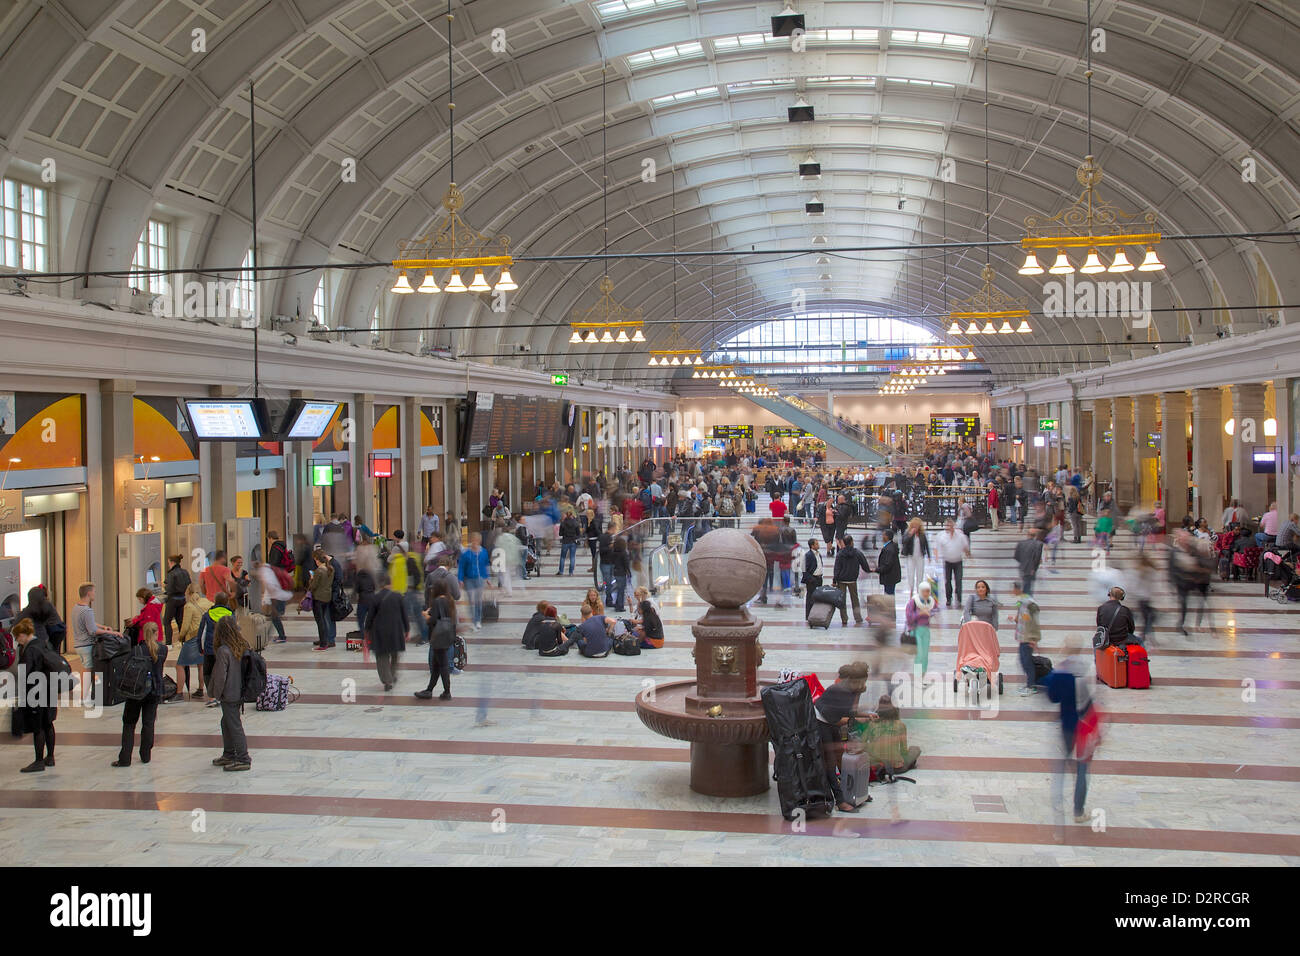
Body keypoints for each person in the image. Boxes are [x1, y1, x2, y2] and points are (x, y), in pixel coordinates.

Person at [1042, 653, 1097, 824]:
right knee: (1082, 769)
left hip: (1067, 727)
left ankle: (1057, 805)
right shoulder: (1083, 675)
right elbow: (1089, 705)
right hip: (1083, 728)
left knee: (1062, 767)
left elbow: (1052, 697)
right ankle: (1078, 811)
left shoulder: (1061, 674)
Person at [12, 617, 72, 772]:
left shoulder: (31, 649)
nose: (18, 641)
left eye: (17, 637)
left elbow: (25, 673)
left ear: (24, 635)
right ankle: (50, 757)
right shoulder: (44, 643)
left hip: (37, 692)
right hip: (50, 689)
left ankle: (38, 761)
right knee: (48, 723)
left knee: (38, 727)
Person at [813, 661, 872, 814]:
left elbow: (852, 711)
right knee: (830, 761)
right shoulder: (839, 690)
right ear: (852, 680)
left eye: (864, 682)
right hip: (821, 721)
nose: (862, 685)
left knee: (841, 757)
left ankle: (855, 792)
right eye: (860, 682)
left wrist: (866, 714)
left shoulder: (855, 689)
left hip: (832, 721)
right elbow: (840, 716)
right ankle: (840, 801)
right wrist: (858, 718)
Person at [111, 621, 168, 766]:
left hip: (136, 690)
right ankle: (145, 754)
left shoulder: (136, 650)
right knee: (148, 723)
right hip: (154, 690)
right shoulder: (163, 650)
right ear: (156, 633)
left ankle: (125, 757)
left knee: (129, 723)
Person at [208, 617, 251, 771]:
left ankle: (243, 758)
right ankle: (229, 754)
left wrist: (216, 694)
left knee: (233, 725)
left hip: (229, 693)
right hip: (239, 691)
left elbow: (220, 676)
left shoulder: (223, 651)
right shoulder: (241, 646)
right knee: (226, 723)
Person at [71, 582, 119, 699]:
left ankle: (85, 695)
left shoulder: (76, 608)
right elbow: (92, 630)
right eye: (93, 592)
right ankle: (85, 696)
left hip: (79, 644)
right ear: (88, 593)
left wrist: (102, 626)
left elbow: (89, 623)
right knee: (88, 670)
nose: (94, 594)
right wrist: (112, 632)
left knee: (85, 668)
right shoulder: (87, 611)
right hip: (87, 644)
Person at [416, 580, 457, 700]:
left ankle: (447, 692)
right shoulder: (449, 600)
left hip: (438, 636)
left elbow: (433, 620)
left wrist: (425, 615)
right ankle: (429, 690)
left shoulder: (438, 601)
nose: (432, 590)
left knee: (442, 665)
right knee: (436, 665)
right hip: (446, 635)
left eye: (433, 588)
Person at [366, 575, 407, 692]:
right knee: (395, 655)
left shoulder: (375, 598)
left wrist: (367, 629)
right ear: (391, 584)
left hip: (379, 631)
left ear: (380, 585)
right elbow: (404, 614)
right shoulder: (398, 596)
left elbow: (370, 617)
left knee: (381, 657)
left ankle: (387, 680)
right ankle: (392, 676)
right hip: (396, 630)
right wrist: (407, 629)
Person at [194, 592, 234, 706]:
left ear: (215, 601)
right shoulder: (231, 615)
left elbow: (202, 634)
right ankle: (224, 695)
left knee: (208, 672)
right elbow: (235, 633)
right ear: (227, 602)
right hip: (226, 649)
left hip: (210, 649)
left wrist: (200, 648)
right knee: (225, 671)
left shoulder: (207, 615)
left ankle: (212, 697)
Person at [176, 583, 210, 699]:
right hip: (204, 638)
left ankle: (179, 692)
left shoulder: (189, 606)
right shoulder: (207, 602)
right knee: (200, 664)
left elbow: (185, 626)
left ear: (188, 593)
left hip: (192, 638)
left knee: (180, 665)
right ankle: (201, 689)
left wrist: (180, 637)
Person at [1008, 580, 1042, 696]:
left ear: (1018, 589)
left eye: (1013, 589)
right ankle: (1029, 684)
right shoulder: (1021, 601)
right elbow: (1022, 616)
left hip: (1028, 638)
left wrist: (1034, 638)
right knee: (1023, 660)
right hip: (1022, 637)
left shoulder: (1029, 603)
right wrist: (1014, 618)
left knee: (1026, 662)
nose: (1011, 591)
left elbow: (1033, 622)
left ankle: (1031, 686)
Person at [832, 534, 872, 626]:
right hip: (852, 580)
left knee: (842, 600)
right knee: (855, 600)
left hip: (841, 580)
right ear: (851, 542)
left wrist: (834, 580)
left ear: (845, 543)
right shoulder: (857, 553)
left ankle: (844, 619)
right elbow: (864, 565)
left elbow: (837, 568)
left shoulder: (840, 553)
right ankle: (858, 618)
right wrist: (869, 571)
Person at [253, 558, 291, 644]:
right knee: (274, 617)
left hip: (277, 596)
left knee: (275, 617)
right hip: (281, 595)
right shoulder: (269, 568)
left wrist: (269, 601)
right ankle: (276, 636)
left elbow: (271, 586)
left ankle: (281, 636)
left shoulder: (264, 572)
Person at [934, 518, 970, 608]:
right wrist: (936, 558)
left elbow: (966, 546)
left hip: (958, 561)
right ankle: (949, 599)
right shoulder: (941, 536)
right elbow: (936, 547)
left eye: (950, 526)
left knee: (958, 580)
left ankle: (959, 598)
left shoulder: (960, 535)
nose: (948, 528)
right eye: (947, 526)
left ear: (953, 526)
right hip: (947, 561)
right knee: (947, 581)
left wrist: (968, 554)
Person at [905, 581, 938, 678]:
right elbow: (908, 617)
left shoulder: (930, 602)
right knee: (919, 654)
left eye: (928, 591)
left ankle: (923, 674)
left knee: (925, 654)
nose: (926, 594)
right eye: (924, 591)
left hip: (926, 630)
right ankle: (918, 676)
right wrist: (919, 613)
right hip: (916, 630)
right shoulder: (913, 602)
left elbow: (936, 609)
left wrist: (930, 613)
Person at [458, 533, 490, 631]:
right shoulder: (465, 553)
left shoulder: (483, 552)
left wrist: (487, 578)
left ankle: (478, 620)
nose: (475, 542)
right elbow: (461, 567)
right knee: (471, 601)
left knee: (478, 601)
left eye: (477, 540)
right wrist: (460, 579)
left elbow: (485, 565)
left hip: (479, 579)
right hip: (468, 580)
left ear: (479, 541)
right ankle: (472, 621)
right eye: (473, 540)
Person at [309, 551, 337, 650]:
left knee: (320, 621)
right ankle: (326, 640)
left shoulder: (319, 571)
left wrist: (311, 579)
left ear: (317, 560)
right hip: (327, 597)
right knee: (324, 620)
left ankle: (323, 643)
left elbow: (313, 586)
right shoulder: (330, 569)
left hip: (318, 598)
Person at [161, 554, 190, 646]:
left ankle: (169, 644)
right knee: (180, 621)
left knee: (167, 621)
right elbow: (189, 585)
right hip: (182, 599)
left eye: (169, 563)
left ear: (172, 562)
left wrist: (164, 586)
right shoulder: (185, 572)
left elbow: (169, 589)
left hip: (172, 600)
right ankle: (183, 642)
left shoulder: (171, 574)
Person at [901, 517, 930, 598]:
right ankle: (911, 590)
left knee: (920, 574)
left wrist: (929, 556)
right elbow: (904, 541)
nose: (915, 527)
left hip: (920, 557)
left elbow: (926, 545)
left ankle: (919, 590)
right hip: (911, 556)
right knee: (910, 573)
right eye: (914, 525)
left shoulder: (922, 534)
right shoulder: (908, 533)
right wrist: (910, 534)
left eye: (917, 526)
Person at [1014, 528, 1044, 595]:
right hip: (1031, 569)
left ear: (1027, 534)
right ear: (1035, 535)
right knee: (1028, 586)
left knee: (1025, 584)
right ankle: (1026, 602)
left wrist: (1023, 562)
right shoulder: (1039, 544)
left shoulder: (1020, 543)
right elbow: (1037, 558)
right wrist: (1034, 568)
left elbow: (1016, 556)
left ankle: (1024, 601)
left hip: (1022, 567)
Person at [801, 537, 826, 619]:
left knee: (818, 598)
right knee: (810, 598)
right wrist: (811, 579)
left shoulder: (818, 554)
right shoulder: (808, 555)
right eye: (816, 543)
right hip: (812, 579)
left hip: (819, 579)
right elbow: (804, 569)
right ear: (812, 546)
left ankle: (816, 615)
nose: (818, 545)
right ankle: (809, 616)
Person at [606, 537, 631, 612]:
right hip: (622, 573)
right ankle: (620, 606)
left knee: (619, 589)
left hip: (615, 572)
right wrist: (628, 572)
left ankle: (617, 604)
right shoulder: (624, 553)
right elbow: (626, 563)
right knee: (621, 590)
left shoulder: (613, 552)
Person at [877, 528, 902, 596]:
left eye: (883, 535)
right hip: (891, 576)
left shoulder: (888, 549)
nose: (882, 537)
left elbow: (888, 564)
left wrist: (878, 570)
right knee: (889, 594)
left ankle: (890, 606)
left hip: (889, 576)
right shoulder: (891, 546)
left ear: (887, 537)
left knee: (889, 595)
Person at [558, 510, 580, 575]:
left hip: (565, 541)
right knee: (572, 557)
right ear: (572, 515)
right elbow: (578, 533)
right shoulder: (576, 523)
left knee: (562, 557)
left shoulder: (563, 523)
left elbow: (560, 534)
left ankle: (561, 571)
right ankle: (571, 572)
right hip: (573, 541)